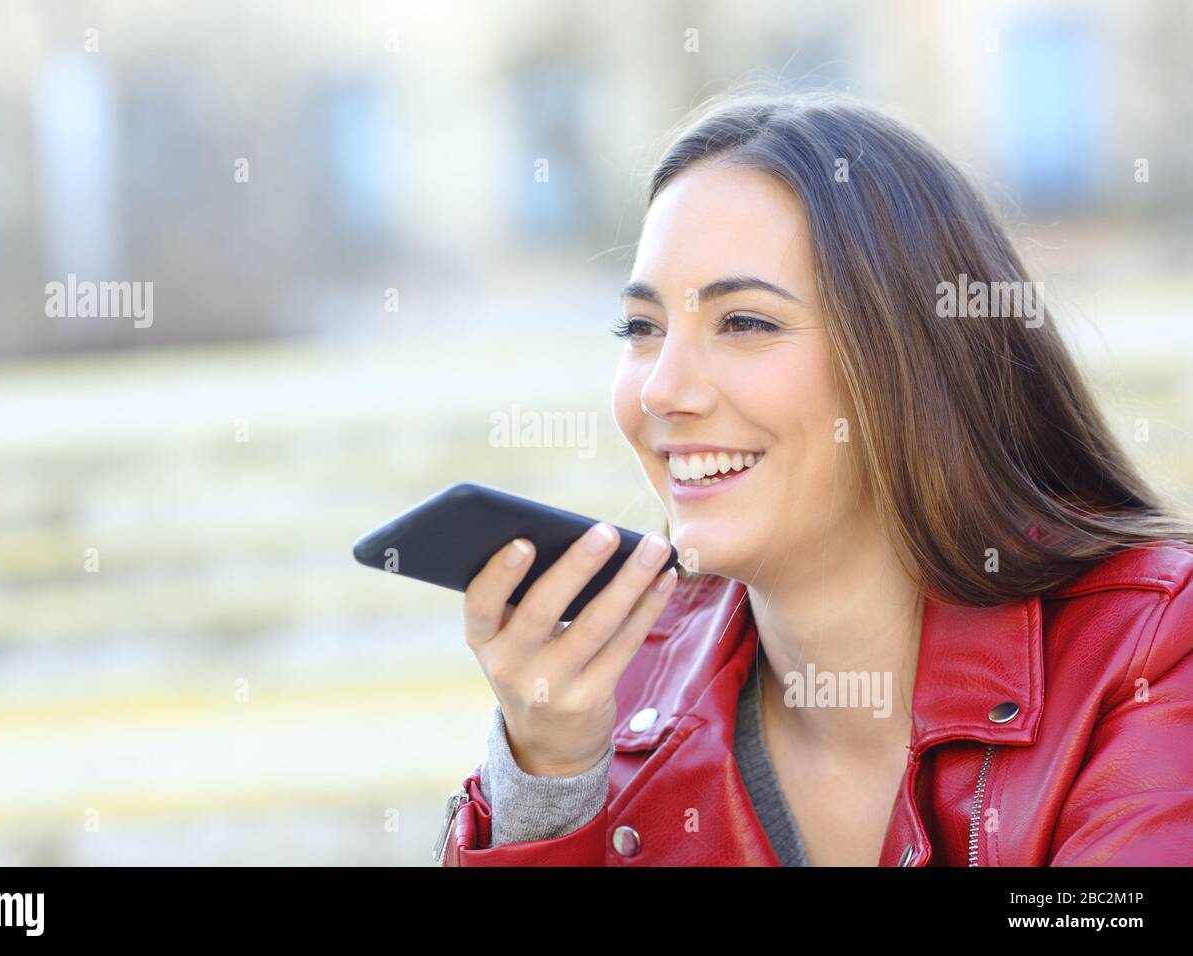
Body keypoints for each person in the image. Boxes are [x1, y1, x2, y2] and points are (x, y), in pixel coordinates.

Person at [438, 89, 1193, 866]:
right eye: (642, 328)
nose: (662, 390)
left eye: (745, 323)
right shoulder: (610, 699)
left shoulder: (1151, 649)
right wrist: (549, 789)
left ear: (917, 363)